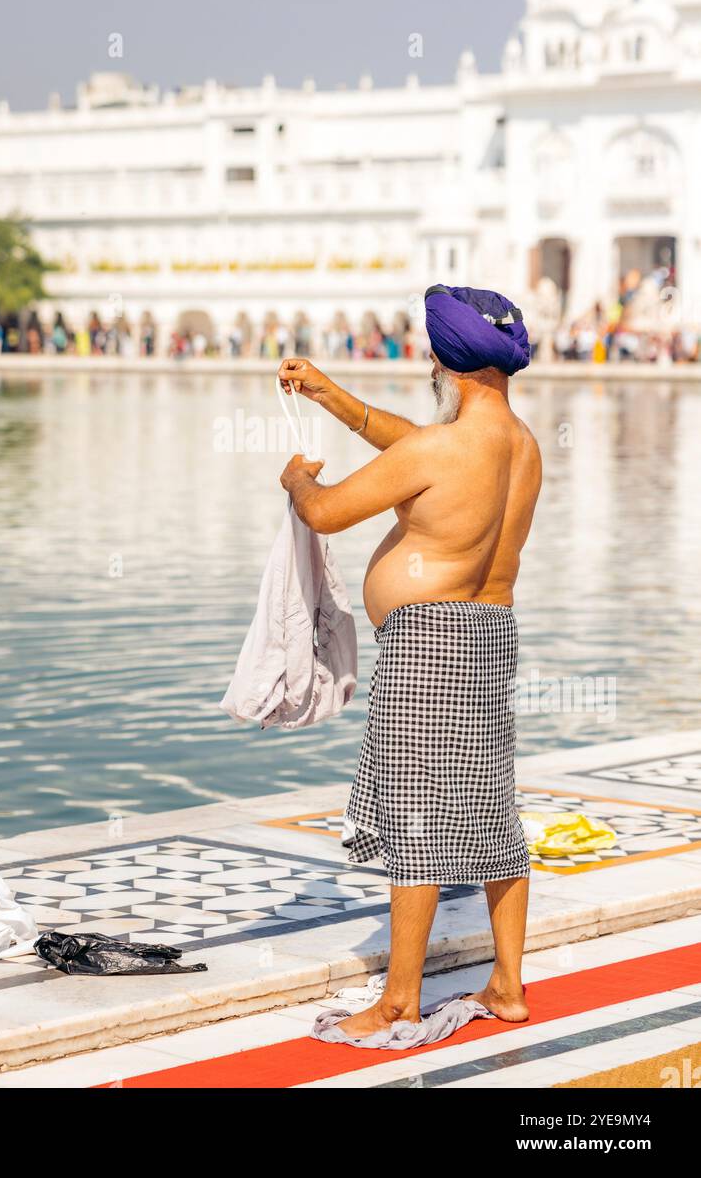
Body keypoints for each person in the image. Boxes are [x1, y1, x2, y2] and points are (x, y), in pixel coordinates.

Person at [278, 283, 541, 1040]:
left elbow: (326, 510)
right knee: (492, 807)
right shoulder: (517, 444)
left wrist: (298, 480)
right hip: (490, 634)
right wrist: (331, 395)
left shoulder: (439, 447)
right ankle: (507, 984)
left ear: (439, 360)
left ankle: (397, 1000)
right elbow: (411, 449)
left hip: (429, 645)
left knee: (417, 819)